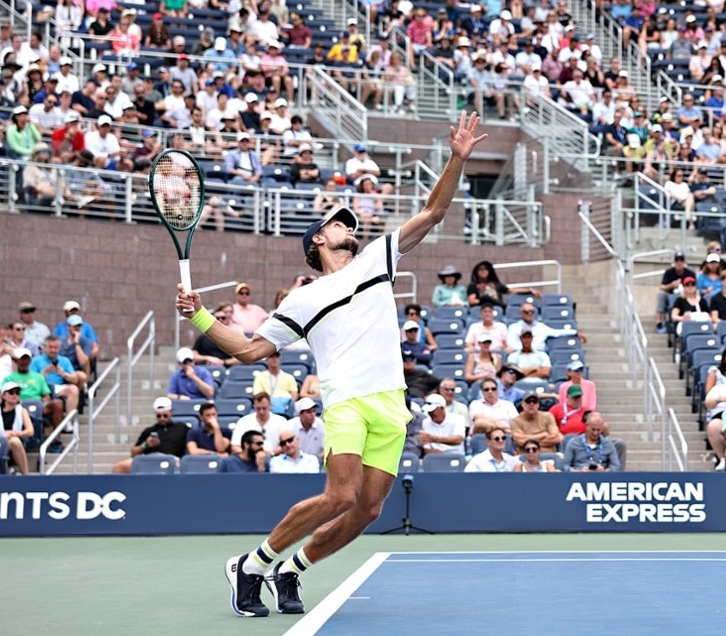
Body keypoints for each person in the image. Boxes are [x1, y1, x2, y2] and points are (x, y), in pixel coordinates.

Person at [175, 113, 489, 618]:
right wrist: (201, 316)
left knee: (369, 509)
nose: (350, 227)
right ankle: (251, 565)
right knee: (340, 496)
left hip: (392, 404)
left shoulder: (376, 260)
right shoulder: (302, 299)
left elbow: (434, 211)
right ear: (318, 240)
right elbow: (251, 351)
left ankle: (291, 568)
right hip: (347, 402)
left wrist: (457, 159)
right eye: (339, 223)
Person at [112, 397, 190, 473]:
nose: (162, 418)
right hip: (148, 459)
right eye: (159, 416)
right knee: (118, 467)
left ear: (171, 413)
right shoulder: (149, 430)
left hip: (171, 459)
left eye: (165, 415)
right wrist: (145, 445)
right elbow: (133, 453)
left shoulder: (181, 427)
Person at [0, 381, 35, 475]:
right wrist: (3, 433)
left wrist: (18, 433)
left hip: (17, 441)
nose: (14, 395)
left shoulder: (22, 411)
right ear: (3, 395)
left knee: (15, 440)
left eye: (17, 393)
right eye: (11, 392)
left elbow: (30, 431)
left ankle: (25, 474)